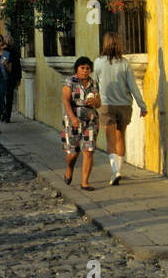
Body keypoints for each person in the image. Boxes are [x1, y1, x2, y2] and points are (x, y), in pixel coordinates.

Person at [94, 31, 147, 186]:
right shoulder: (124, 63)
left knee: (110, 140)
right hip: (124, 104)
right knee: (120, 137)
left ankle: (115, 171)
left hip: (106, 105)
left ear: (105, 44)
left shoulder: (98, 63)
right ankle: (119, 170)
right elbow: (133, 86)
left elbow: (95, 84)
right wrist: (142, 106)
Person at [61, 55, 101, 190]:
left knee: (88, 150)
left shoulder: (94, 83)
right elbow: (66, 102)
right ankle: (69, 169)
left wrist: (95, 102)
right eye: (82, 68)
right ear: (77, 69)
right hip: (73, 120)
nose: (85, 71)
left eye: (88, 68)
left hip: (90, 120)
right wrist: (73, 118)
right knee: (73, 153)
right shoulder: (70, 82)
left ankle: (85, 182)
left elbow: (99, 102)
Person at [3, 40, 22, 124]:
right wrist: (19, 78)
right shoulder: (16, 52)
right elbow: (18, 66)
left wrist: (4, 64)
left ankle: (5, 114)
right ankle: (7, 116)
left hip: (7, 77)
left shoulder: (6, 53)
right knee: (9, 97)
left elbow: (9, 68)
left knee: (3, 96)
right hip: (14, 77)